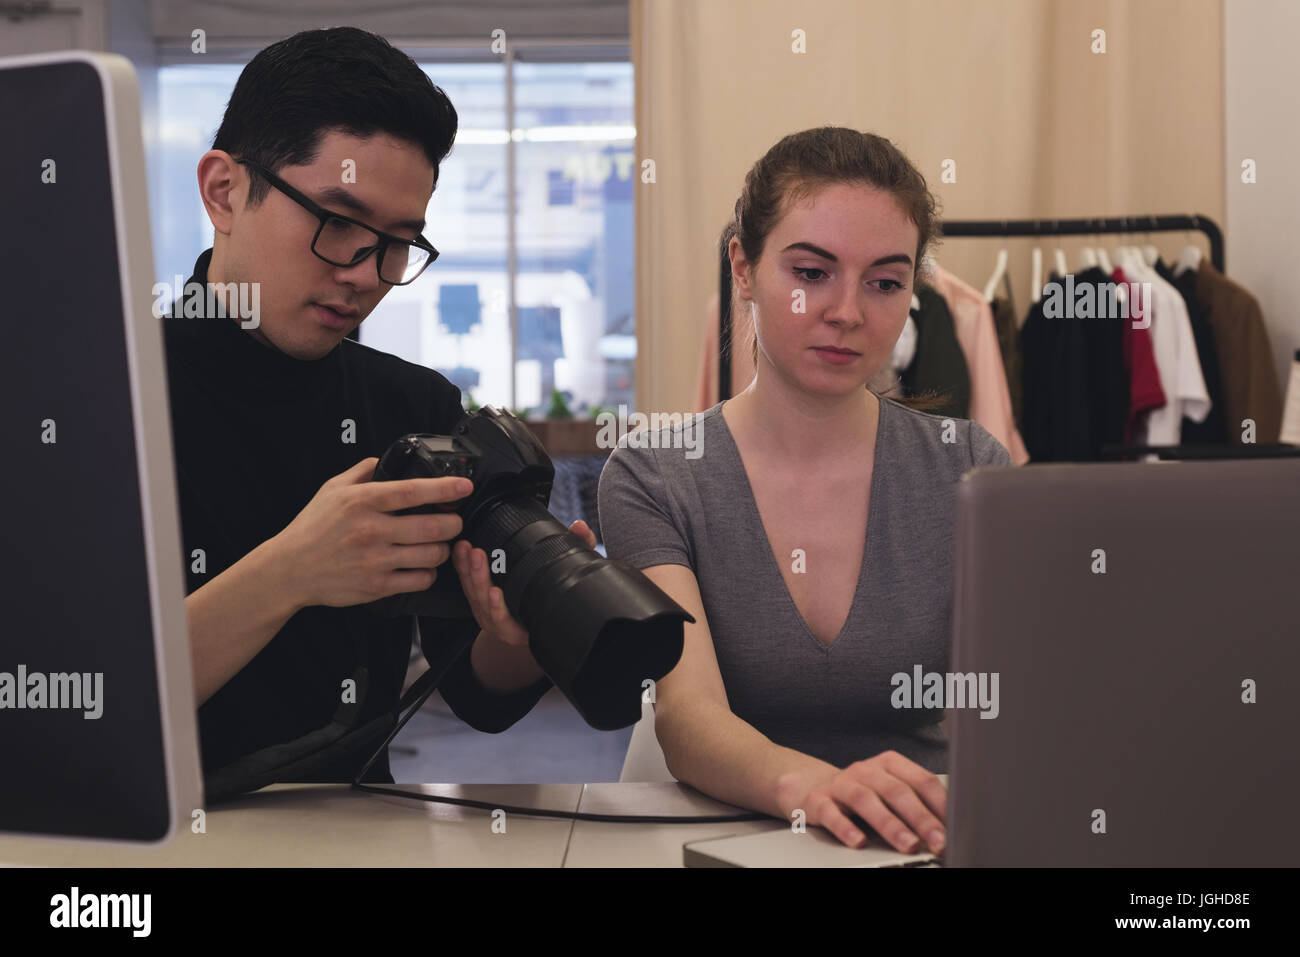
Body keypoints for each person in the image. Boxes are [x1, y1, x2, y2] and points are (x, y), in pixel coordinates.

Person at [166, 27, 595, 795]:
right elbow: (85, 702)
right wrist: (291, 572)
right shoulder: (98, 398)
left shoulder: (413, 405)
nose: (367, 275)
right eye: (338, 224)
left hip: (357, 831)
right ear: (224, 191)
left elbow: (474, 693)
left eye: (398, 242)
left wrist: (521, 633)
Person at [598, 127, 1012, 852]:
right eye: (812, 272)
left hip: (920, 839)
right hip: (725, 838)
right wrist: (819, 788)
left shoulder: (969, 468)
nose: (848, 311)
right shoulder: (653, 474)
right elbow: (687, 717)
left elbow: (1016, 697)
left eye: (885, 282)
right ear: (744, 266)